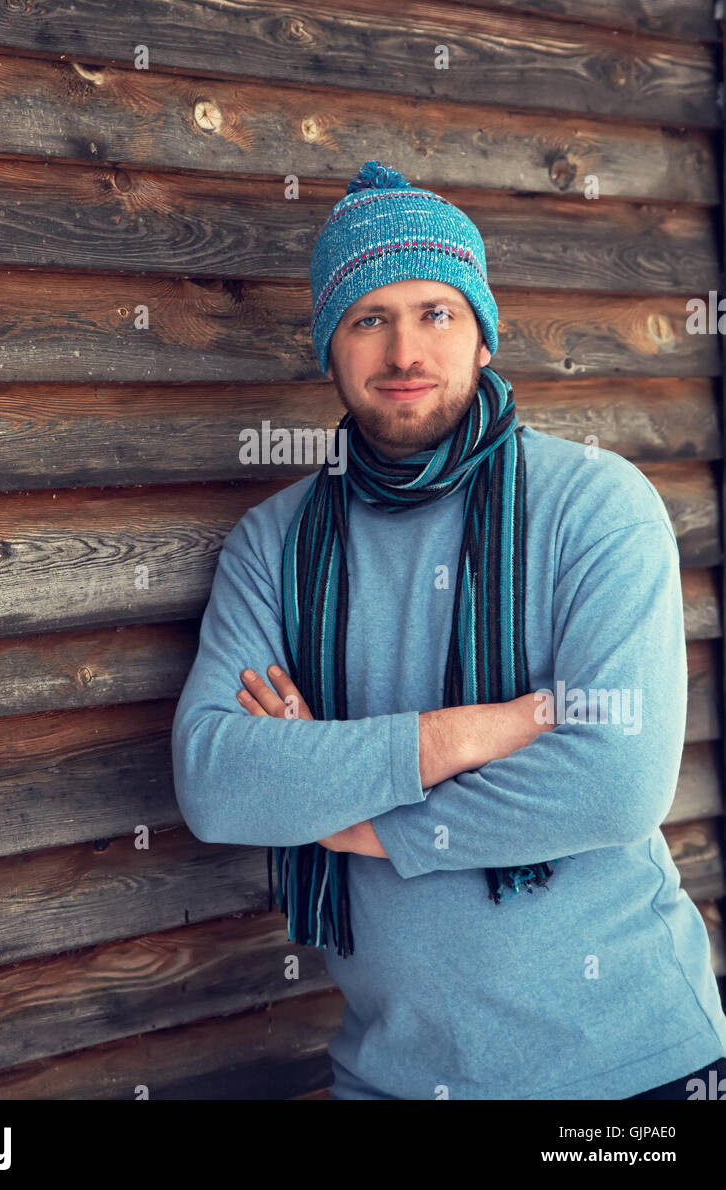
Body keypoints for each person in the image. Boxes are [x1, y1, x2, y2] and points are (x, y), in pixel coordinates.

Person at [171, 159, 726, 1100]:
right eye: (368, 318)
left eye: (436, 313)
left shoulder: (594, 507)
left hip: (631, 1071)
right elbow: (219, 781)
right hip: (391, 1074)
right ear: (330, 347)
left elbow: (615, 782)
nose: (404, 353)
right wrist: (465, 735)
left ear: (481, 337)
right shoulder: (273, 544)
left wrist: (342, 810)